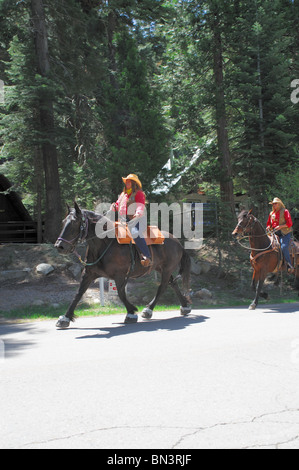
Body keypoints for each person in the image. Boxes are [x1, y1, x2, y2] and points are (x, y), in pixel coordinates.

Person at [110, 174, 153, 267]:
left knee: (135, 232)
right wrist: (114, 206)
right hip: (124, 220)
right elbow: (118, 205)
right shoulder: (123, 195)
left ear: (134, 183)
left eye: (129, 181)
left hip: (137, 219)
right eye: (126, 181)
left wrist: (138, 213)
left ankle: (147, 255)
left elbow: (140, 205)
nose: (127, 183)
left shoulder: (139, 194)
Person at [266, 197, 294, 273]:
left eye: (275, 203)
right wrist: (268, 227)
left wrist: (281, 226)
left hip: (284, 233)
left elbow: (290, 223)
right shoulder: (271, 213)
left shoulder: (285, 211)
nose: (274, 205)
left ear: (279, 204)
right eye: (273, 204)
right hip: (274, 233)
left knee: (283, 247)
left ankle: (289, 264)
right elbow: (269, 223)